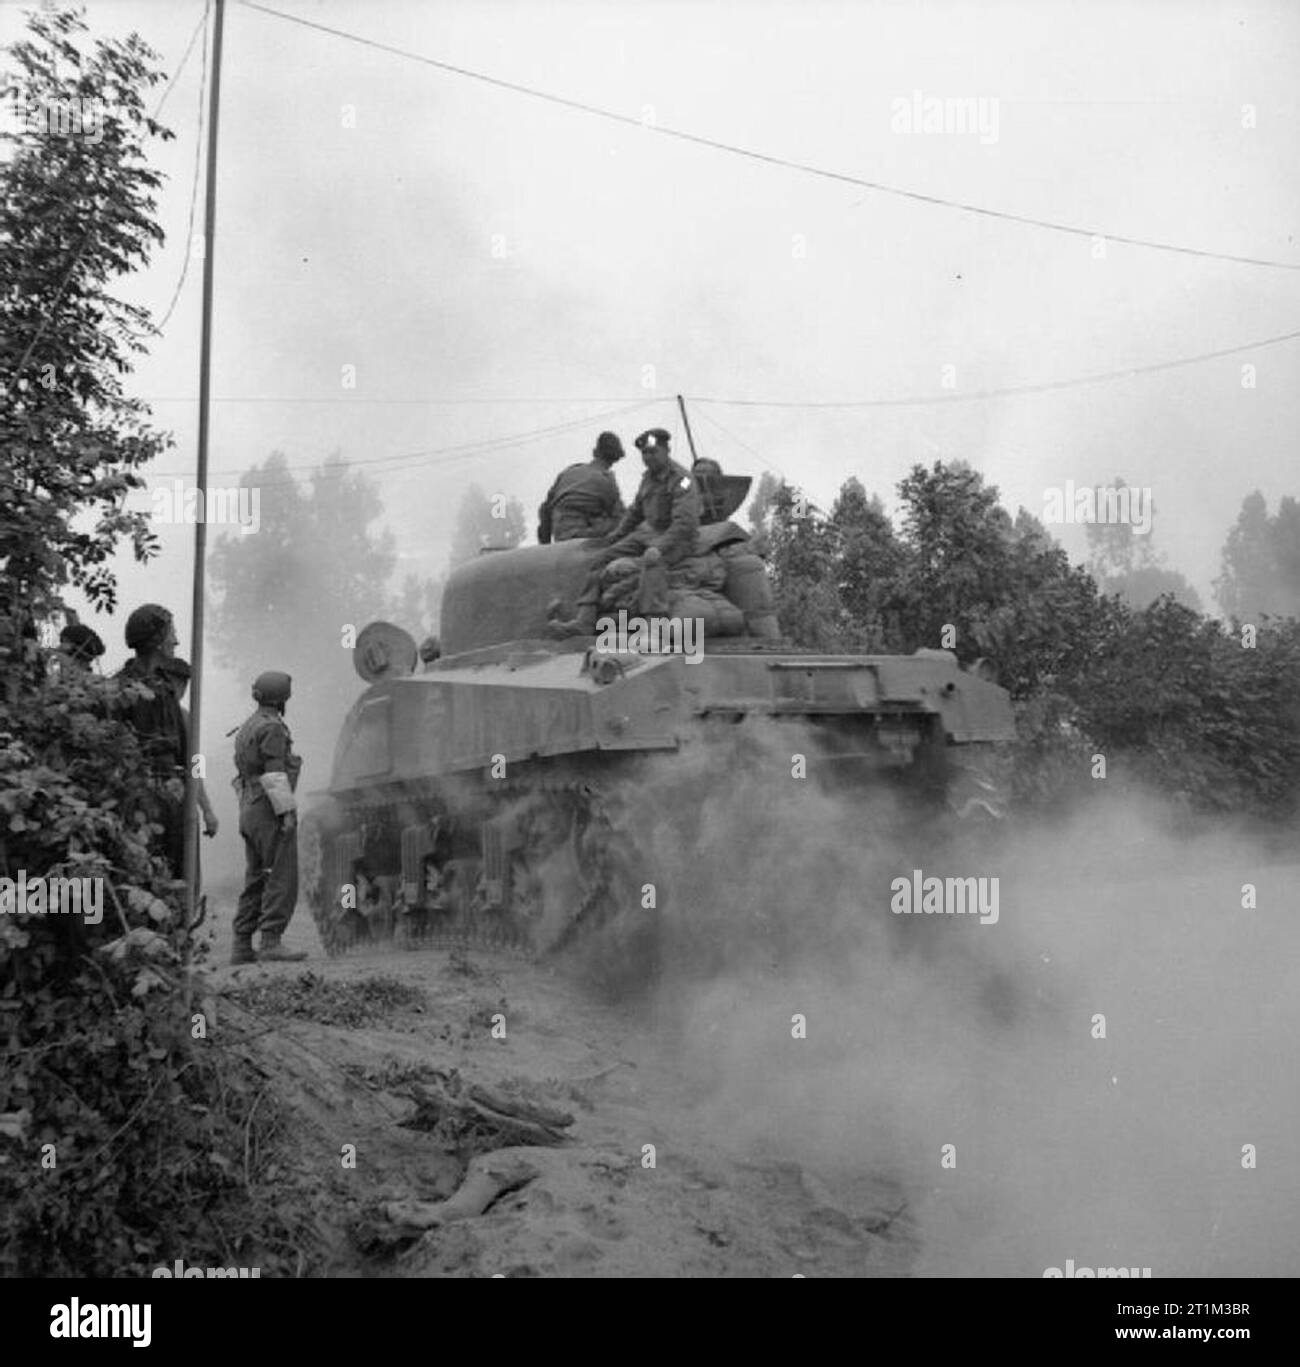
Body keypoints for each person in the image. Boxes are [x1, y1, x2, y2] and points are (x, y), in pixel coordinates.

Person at [548, 428, 700, 635]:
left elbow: (685, 523)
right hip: (649, 534)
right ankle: (585, 619)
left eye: (653, 452)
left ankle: (655, 626)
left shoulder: (683, 479)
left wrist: (660, 547)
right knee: (599, 559)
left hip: (677, 540)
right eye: (645, 454)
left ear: (666, 450)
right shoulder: (648, 479)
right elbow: (634, 513)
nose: (648, 458)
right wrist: (613, 538)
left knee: (652, 562)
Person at [231, 670, 305, 965]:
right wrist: (286, 813)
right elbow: (275, 774)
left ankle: (241, 943)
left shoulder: (247, 726)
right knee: (281, 874)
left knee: (255, 877)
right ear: (282, 697)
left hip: (248, 806)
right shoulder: (273, 728)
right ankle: (271, 940)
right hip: (267, 808)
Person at [115, 604, 188, 878]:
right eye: (172, 633)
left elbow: (195, 759)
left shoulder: (176, 708)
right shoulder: (164, 700)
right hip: (163, 793)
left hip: (173, 789)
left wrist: (202, 802)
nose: (177, 641)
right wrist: (203, 803)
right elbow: (195, 760)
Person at [537, 431, 627, 544]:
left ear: (595, 452)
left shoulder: (569, 472)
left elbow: (545, 510)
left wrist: (545, 545)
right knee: (624, 520)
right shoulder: (606, 480)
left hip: (560, 535)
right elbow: (621, 519)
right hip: (584, 536)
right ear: (615, 459)